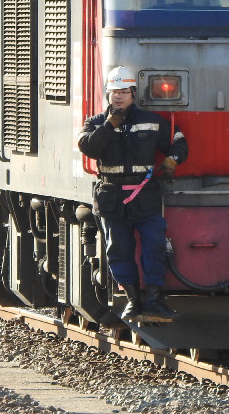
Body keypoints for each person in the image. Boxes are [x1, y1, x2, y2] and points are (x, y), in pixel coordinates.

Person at [77, 65, 188, 324]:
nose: (118, 96)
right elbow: (88, 148)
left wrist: (172, 159)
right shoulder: (94, 124)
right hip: (111, 196)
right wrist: (109, 125)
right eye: (114, 91)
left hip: (145, 195)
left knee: (155, 246)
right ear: (107, 94)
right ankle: (132, 301)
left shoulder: (152, 121)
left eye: (124, 91)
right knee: (118, 250)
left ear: (133, 93)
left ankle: (153, 301)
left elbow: (179, 140)